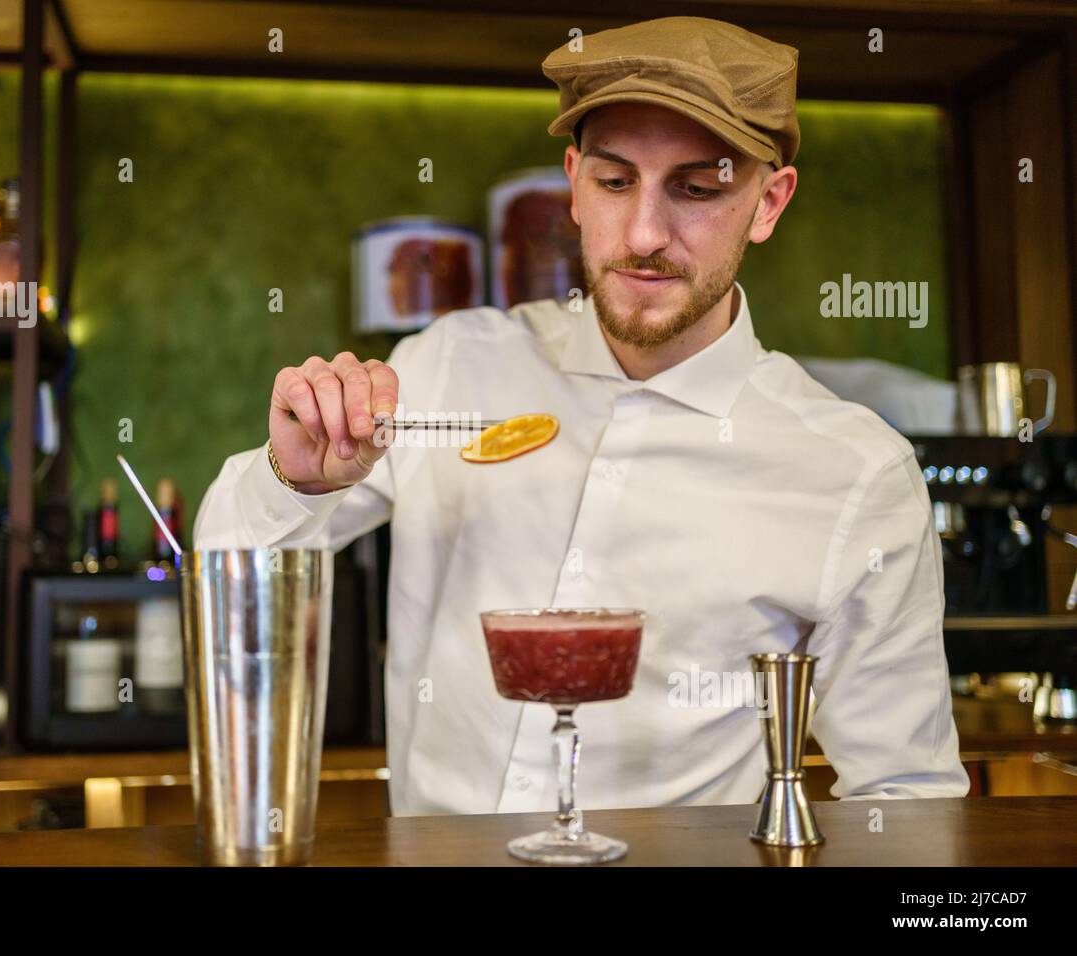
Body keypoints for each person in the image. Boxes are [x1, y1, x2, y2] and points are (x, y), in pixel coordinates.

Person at [193, 16, 970, 815]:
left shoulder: (854, 472)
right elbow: (224, 566)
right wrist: (295, 479)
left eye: (698, 188)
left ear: (768, 203)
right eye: (613, 181)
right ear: (572, 181)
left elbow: (907, 795)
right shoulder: (451, 363)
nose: (643, 234)